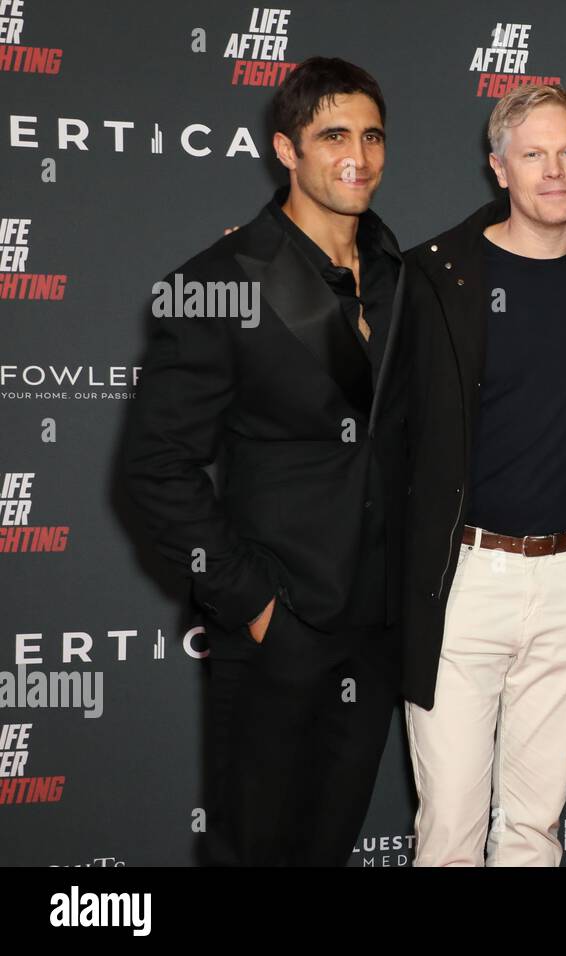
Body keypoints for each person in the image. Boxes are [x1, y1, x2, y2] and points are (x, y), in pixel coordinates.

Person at [123, 57, 405, 865]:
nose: (359, 154)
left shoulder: (405, 280)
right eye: (333, 135)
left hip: (377, 629)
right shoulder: (219, 282)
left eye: (372, 134)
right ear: (286, 149)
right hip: (277, 628)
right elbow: (155, 469)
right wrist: (253, 606)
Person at [400, 84, 566, 866]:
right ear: (499, 168)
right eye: (533, 155)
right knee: (448, 826)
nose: (554, 172)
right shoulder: (437, 273)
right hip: (463, 580)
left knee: (534, 826)